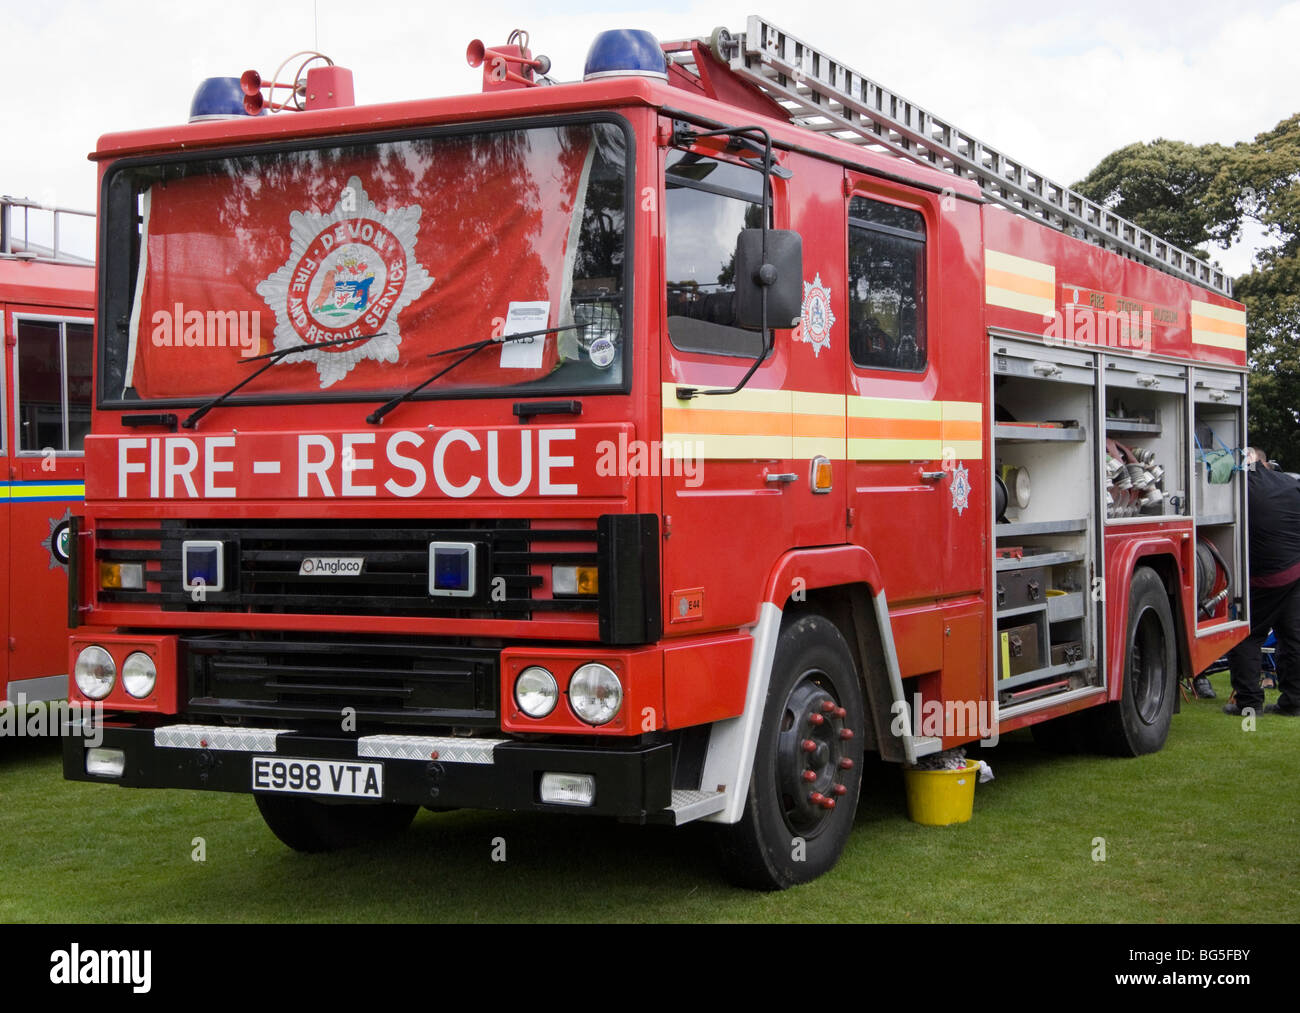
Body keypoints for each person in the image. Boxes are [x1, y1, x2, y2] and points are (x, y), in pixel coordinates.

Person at [1223, 448, 1300, 716]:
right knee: (1293, 639)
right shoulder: (1291, 484)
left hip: (1263, 578)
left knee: (1246, 637)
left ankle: (1249, 703)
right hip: (1294, 572)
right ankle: (1294, 702)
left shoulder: (1242, 486)